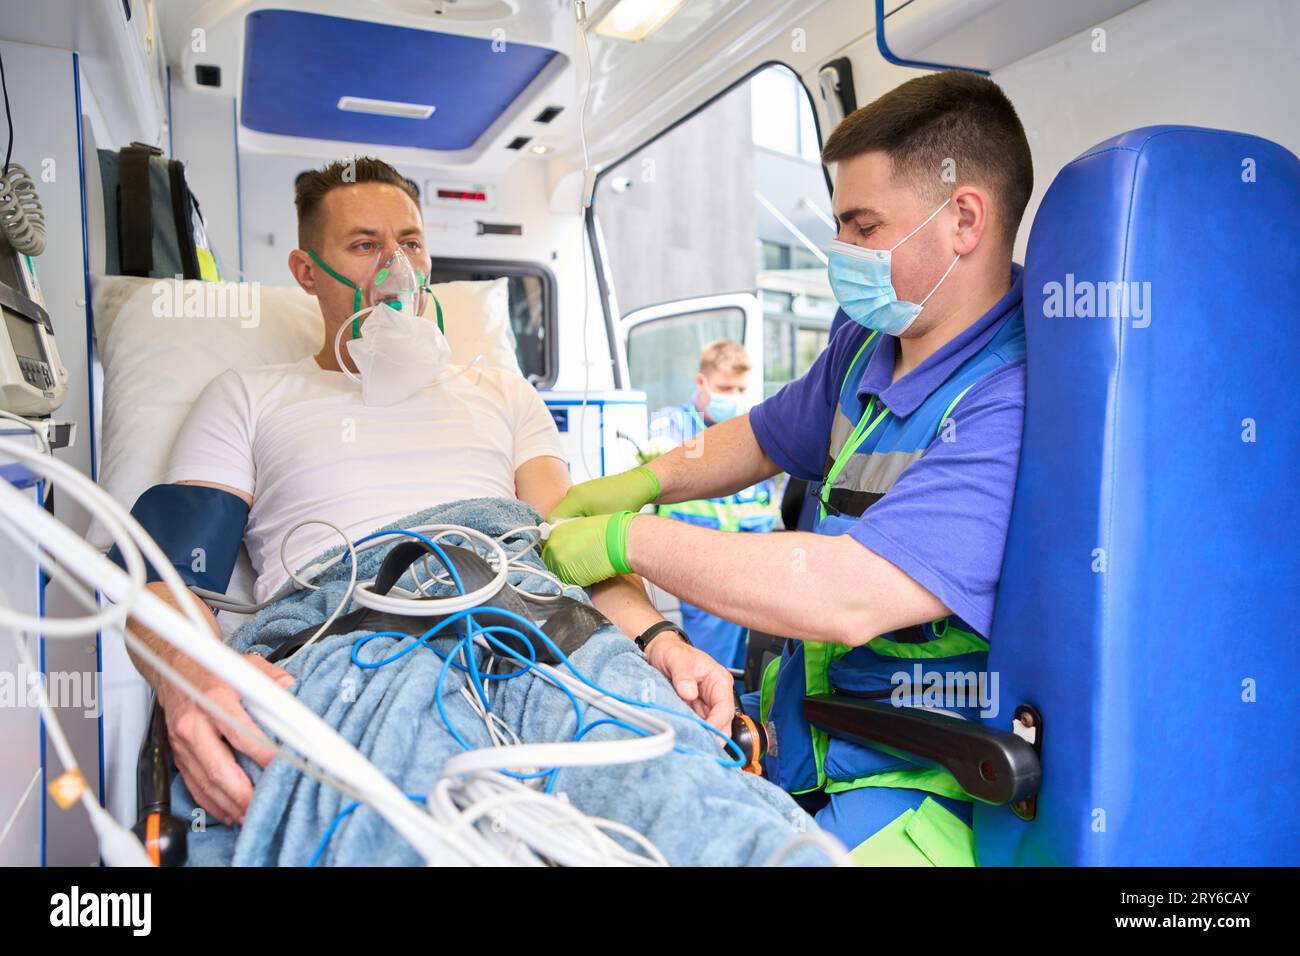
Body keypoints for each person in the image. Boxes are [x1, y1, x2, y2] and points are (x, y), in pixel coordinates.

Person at [122, 157, 734, 828]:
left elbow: (570, 544)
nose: (395, 266)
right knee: (399, 827)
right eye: (364, 245)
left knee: (692, 803)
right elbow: (170, 577)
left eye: (409, 242)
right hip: (353, 646)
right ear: (305, 272)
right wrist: (190, 675)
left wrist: (657, 638)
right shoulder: (250, 395)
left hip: (532, 626)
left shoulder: (501, 391)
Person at [542, 70, 1034, 865]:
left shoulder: (1008, 400)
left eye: (864, 226)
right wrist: (650, 479)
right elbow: (764, 437)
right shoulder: (869, 340)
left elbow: (844, 592)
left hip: (920, 783)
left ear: (964, 219)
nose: (842, 252)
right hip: (806, 749)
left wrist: (629, 540)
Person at [645, 339, 779, 671]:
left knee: (747, 667)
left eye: (739, 389)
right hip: (697, 567)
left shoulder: (752, 427)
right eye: (724, 388)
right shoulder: (671, 427)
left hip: (753, 568)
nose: (733, 397)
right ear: (701, 383)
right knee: (706, 665)